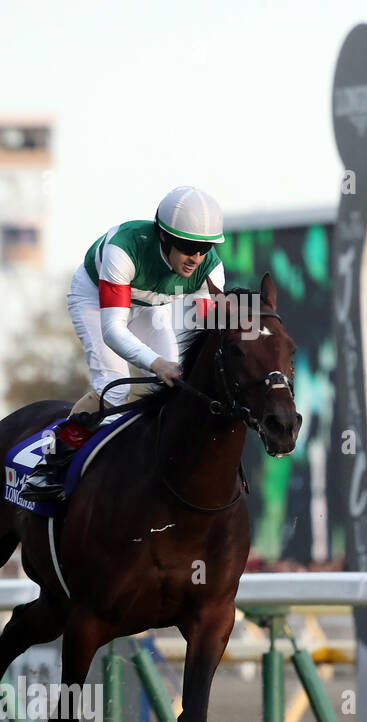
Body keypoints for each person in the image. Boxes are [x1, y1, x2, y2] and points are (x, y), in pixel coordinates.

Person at [21, 186, 226, 501]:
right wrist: (157, 364)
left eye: (204, 248)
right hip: (96, 300)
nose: (196, 258)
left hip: (147, 306)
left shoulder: (210, 268)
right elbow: (113, 330)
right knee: (115, 387)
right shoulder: (125, 248)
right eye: (187, 247)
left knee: (179, 386)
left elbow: (215, 329)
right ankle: (49, 469)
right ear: (165, 237)